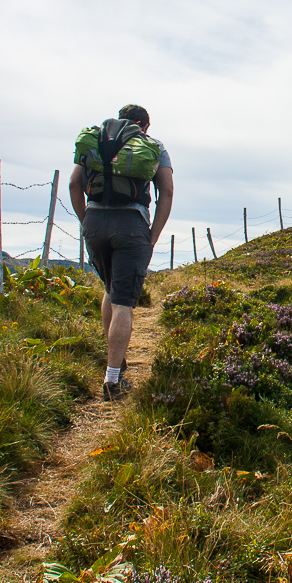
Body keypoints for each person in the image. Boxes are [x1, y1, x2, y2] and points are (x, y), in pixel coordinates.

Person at [69, 103, 174, 401]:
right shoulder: (153, 146)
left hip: (95, 220)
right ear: (145, 125)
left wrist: (86, 219)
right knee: (124, 302)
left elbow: (75, 183)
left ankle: (115, 359)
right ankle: (113, 381)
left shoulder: (97, 139)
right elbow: (166, 191)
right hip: (131, 225)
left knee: (110, 287)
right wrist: (152, 236)